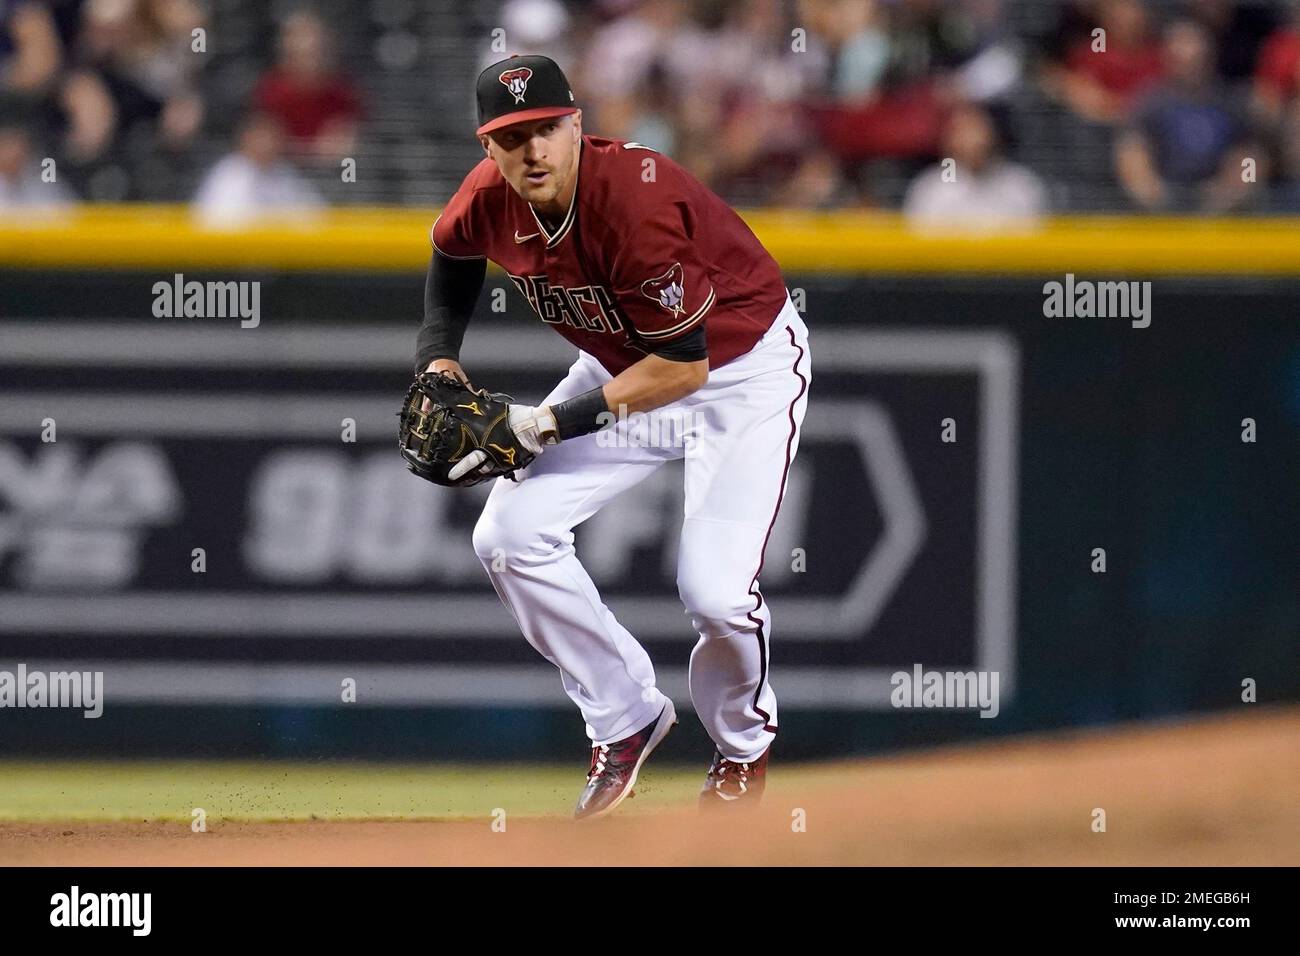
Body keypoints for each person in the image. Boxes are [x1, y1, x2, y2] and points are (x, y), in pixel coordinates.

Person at [415, 55, 811, 819]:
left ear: (577, 126)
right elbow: (450, 251)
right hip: (628, 366)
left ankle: (741, 751)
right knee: (508, 534)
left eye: (545, 129)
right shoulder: (488, 196)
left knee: (717, 595)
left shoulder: (634, 201)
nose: (531, 150)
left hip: (741, 373)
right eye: (511, 136)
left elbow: (684, 368)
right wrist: (438, 353)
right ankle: (624, 718)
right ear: (486, 146)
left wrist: (547, 425)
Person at [903, 102, 1047, 232]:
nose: (972, 140)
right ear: (949, 140)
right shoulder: (932, 188)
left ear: (994, 135)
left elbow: (1037, 237)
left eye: (977, 129)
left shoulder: (1020, 185)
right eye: (962, 131)